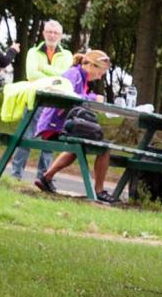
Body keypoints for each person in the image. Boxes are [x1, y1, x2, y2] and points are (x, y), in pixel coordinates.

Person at [31, 51, 115, 201]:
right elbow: (69, 96)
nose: (101, 76)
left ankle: (46, 178)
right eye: (101, 71)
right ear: (91, 65)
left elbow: (77, 97)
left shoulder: (80, 78)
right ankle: (99, 190)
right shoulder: (73, 74)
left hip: (60, 123)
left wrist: (91, 97)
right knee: (104, 147)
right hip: (55, 125)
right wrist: (94, 98)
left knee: (81, 145)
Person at [7, 19, 73, 181]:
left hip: (56, 103)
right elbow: (31, 75)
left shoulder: (67, 55)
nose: (52, 35)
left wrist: (43, 69)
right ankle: (15, 175)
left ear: (61, 36)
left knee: (49, 141)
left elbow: (66, 76)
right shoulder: (33, 52)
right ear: (43, 33)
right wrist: (54, 76)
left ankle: (43, 178)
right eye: (49, 32)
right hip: (34, 99)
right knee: (26, 137)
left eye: (55, 32)